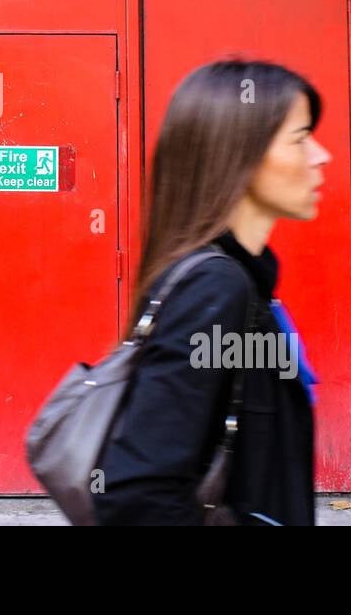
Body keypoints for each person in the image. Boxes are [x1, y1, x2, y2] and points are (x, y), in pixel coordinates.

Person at [92, 58, 330, 526]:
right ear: (238, 154)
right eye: (300, 139)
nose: (321, 156)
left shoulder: (245, 281)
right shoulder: (215, 288)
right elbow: (137, 493)